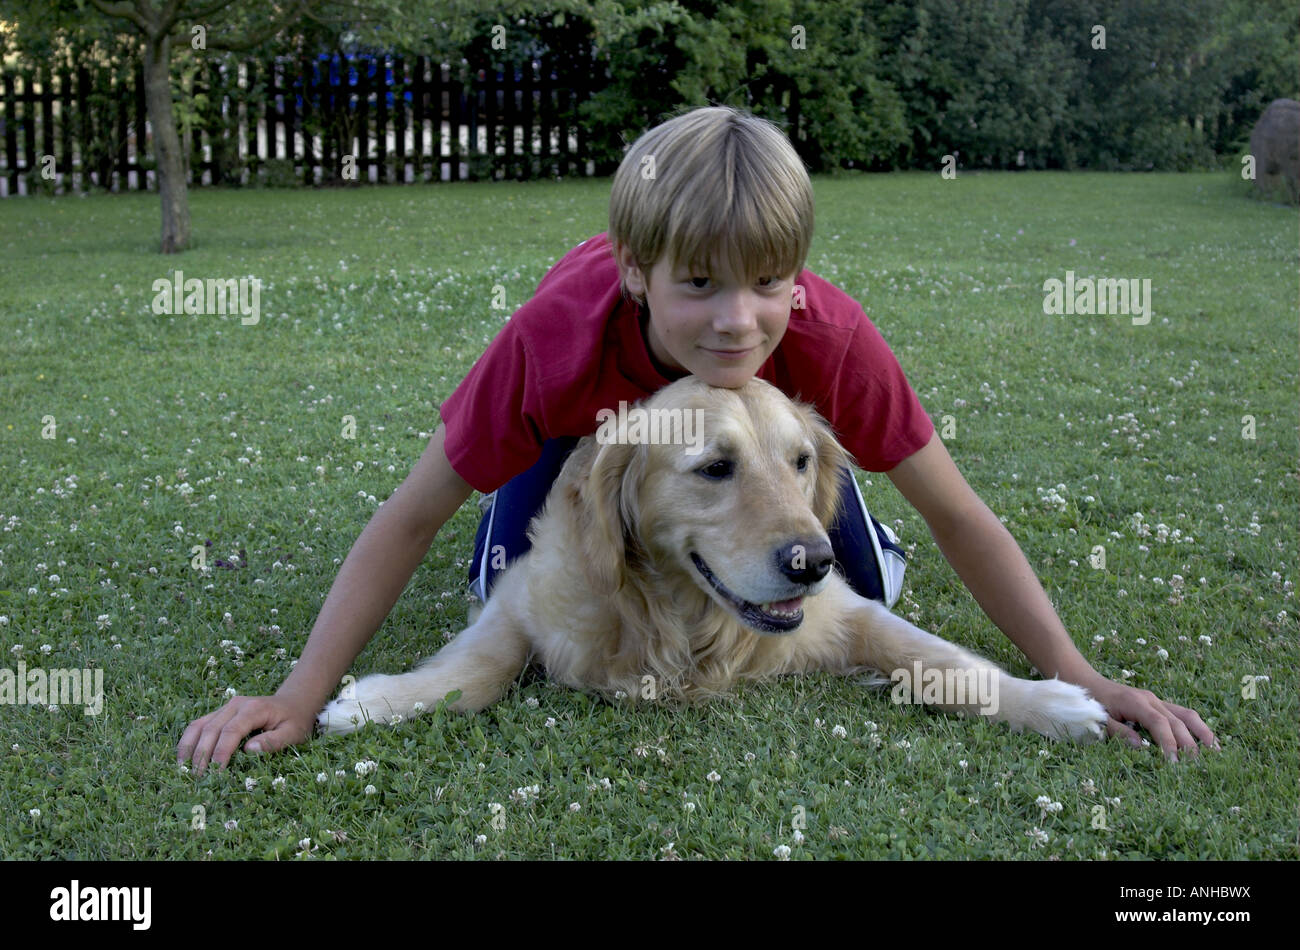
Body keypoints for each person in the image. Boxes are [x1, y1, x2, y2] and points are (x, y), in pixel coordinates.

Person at [177, 106, 1217, 776]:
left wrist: (1075, 676)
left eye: (768, 282)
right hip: (589, 453)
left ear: (796, 277)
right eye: (699, 284)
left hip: (767, 461)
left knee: (844, 590)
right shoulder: (557, 342)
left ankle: (817, 520)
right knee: (514, 591)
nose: (736, 321)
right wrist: (304, 692)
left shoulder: (825, 339)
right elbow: (410, 515)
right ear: (635, 270)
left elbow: (956, 510)